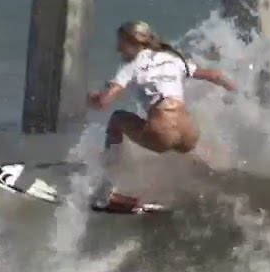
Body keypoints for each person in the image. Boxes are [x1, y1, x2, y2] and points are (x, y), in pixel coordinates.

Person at [87, 21, 237, 211]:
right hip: (189, 133)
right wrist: (237, 91)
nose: (118, 50)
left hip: (162, 131)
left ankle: (105, 192)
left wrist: (89, 99)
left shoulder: (132, 66)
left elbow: (104, 102)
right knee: (185, 147)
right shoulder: (173, 59)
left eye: (121, 44)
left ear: (134, 42)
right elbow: (216, 75)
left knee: (117, 118)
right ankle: (209, 185)